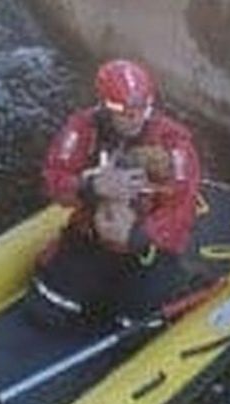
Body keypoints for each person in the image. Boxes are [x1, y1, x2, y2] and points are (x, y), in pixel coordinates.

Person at [28, 59, 202, 327]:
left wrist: (140, 235)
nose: (133, 117)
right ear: (105, 106)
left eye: (140, 108)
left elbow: (182, 206)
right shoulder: (82, 130)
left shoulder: (173, 142)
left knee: (135, 322)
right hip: (94, 237)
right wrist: (91, 186)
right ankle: (88, 283)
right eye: (122, 109)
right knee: (48, 310)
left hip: (146, 248)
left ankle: (174, 285)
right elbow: (53, 180)